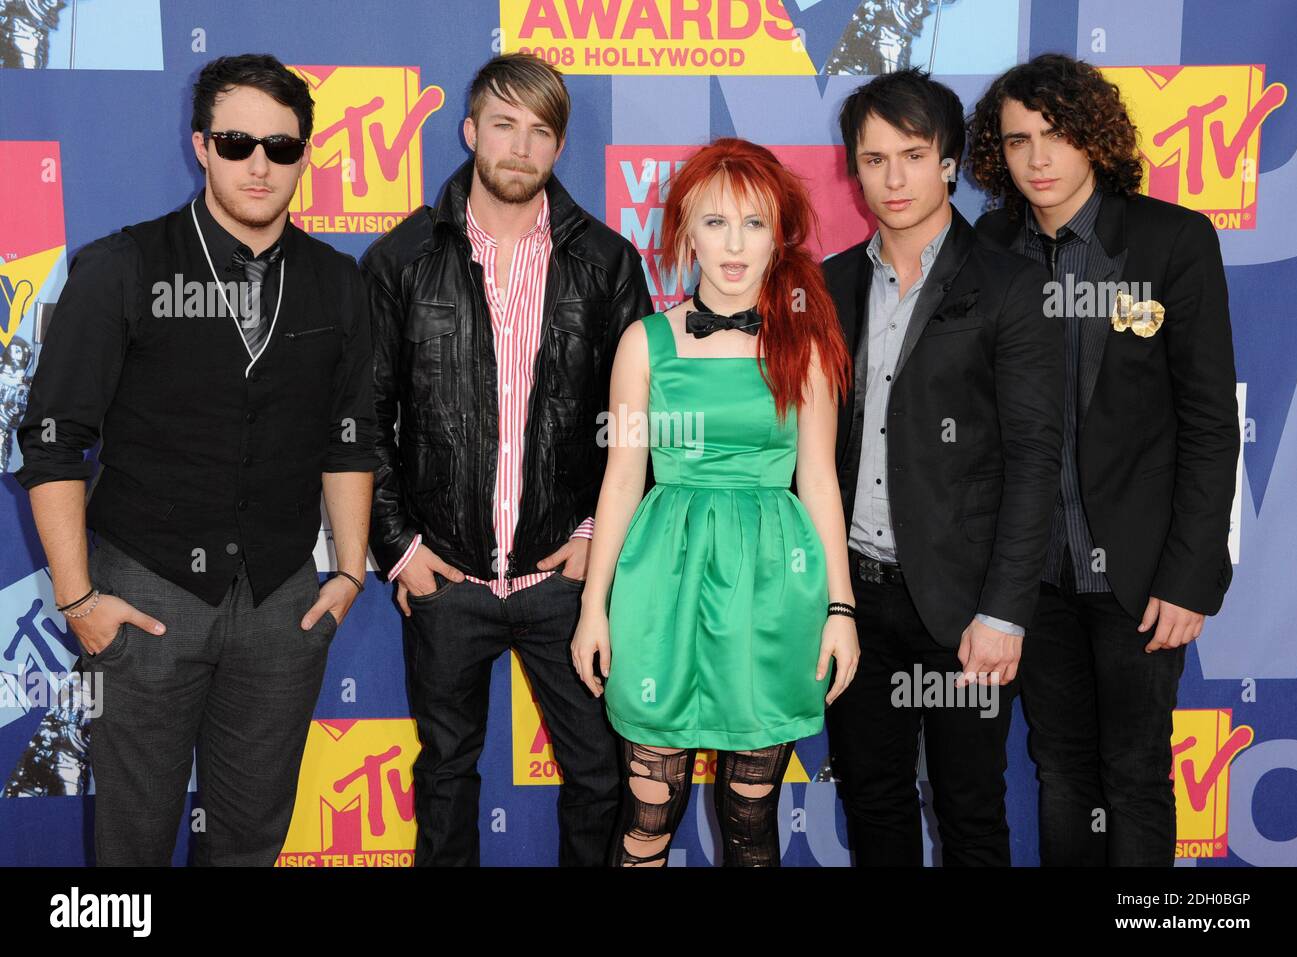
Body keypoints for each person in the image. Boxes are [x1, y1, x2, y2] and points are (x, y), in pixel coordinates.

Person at [15, 53, 379, 865]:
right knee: (131, 843)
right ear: (201, 145)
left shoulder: (336, 282)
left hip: (283, 600)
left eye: (282, 148)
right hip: (145, 595)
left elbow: (351, 434)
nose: (260, 163)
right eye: (238, 141)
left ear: (304, 157)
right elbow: (52, 441)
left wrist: (349, 573)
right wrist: (79, 601)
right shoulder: (123, 266)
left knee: (251, 840)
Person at [361, 53, 653, 866]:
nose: (520, 148)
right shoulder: (402, 259)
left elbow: (642, 421)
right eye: (503, 126)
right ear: (470, 132)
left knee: (600, 776)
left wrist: (600, 536)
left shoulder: (607, 262)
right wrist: (401, 547)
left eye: (540, 131)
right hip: (445, 576)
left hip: (567, 581)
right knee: (446, 776)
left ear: (559, 146)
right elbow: (361, 419)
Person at [968, 53, 1240, 866]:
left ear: (1096, 138)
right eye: (1018, 141)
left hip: (1141, 579)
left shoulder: (1171, 239)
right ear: (998, 154)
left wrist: (1191, 577)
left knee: (1135, 774)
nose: (1038, 159)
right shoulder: (988, 247)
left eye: (1056, 135)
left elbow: (1209, 423)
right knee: (1060, 771)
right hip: (1032, 578)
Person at [570, 137, 860, 867]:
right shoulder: (644, 343)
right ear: (684, 230)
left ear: (780, 234)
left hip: (772, 584)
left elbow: (820, 480)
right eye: (715, 222)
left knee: (751, 822)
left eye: (755, 223)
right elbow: (621, 480)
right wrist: (593, 607)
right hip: (660, 582)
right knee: (647, 815)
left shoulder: (809, 344)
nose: (734, 246)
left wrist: (841, 609)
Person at [822, 68, 1064, 866]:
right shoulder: (830, 285)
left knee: (969, 811)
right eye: (873, 158)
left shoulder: (1010, 286)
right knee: (873, 802)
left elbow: (1035, 459)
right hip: (856, 600)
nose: (893, 179)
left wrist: (1004, 612)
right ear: (853, 168)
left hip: (965, 609)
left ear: (950, 161)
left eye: (913, 154)